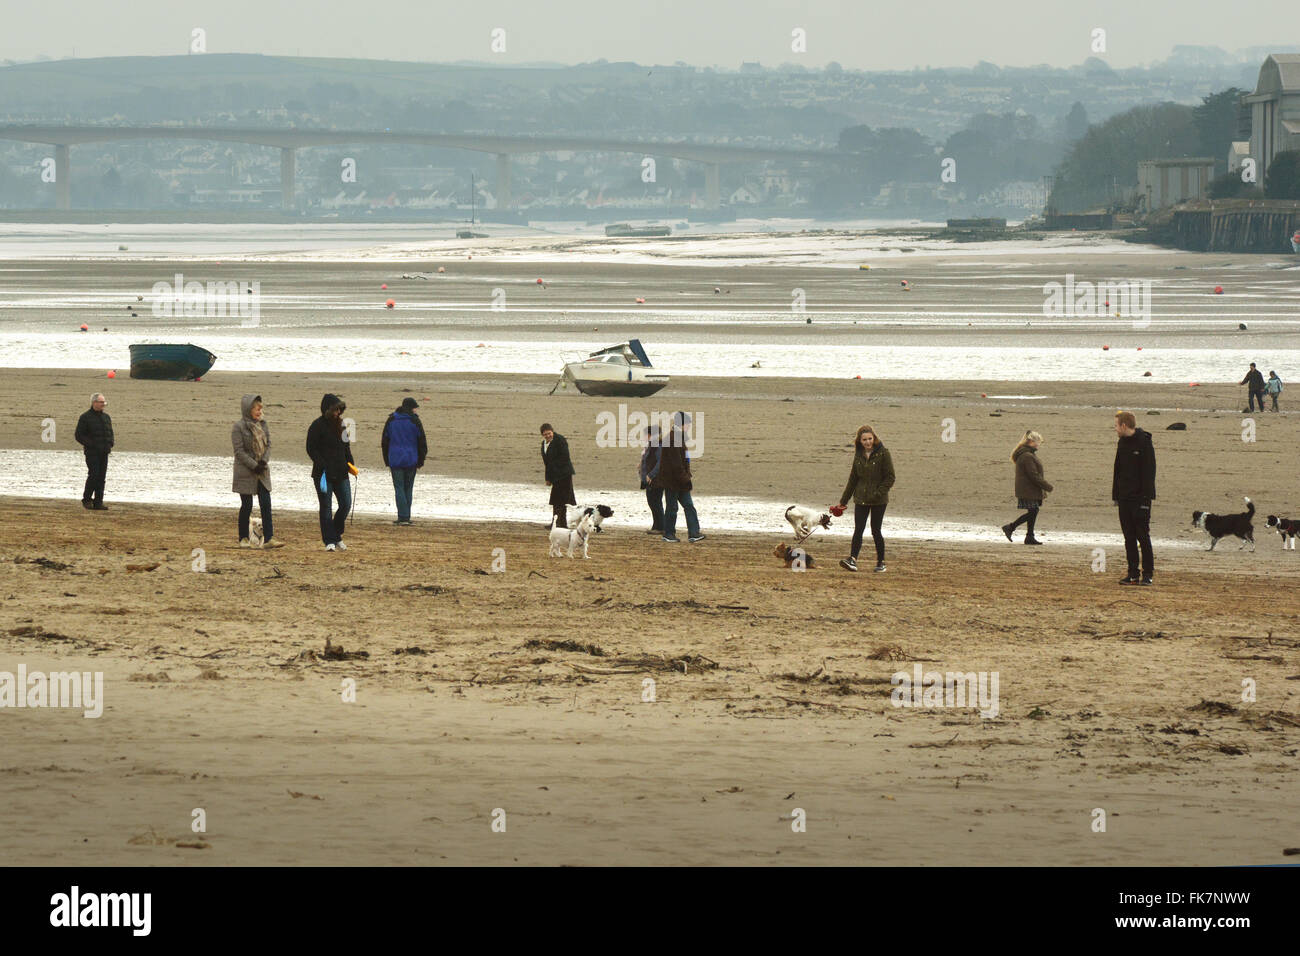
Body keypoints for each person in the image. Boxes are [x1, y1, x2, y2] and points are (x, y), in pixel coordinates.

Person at [836, 425, 895, 573]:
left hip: (879, 501)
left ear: (874, 438)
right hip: (861, 499)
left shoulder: (883, 453)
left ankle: (881, 562)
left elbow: (890, 477)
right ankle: (852, 560)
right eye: (864, 440)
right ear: (860, 441)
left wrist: (878, 493)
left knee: (876, 531)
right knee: (858, 529)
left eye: (870, 439)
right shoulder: (859, 455)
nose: (868, 442)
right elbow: (853, 479)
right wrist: (843, 502)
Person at [231, 394, 283, 549]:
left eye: (260, 408)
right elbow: (239, 452)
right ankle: (243, 538)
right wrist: (254, 465)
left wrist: (263, 462)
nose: (259, 411)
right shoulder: (238, 427)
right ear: (248, 409)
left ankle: (269, 538)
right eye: (256, 408)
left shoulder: (263, 424)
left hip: (262, 471)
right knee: (246, 505)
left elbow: (269, 445)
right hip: (245, 472)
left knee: (266, 503)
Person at [306, 393, 355, 552]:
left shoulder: (341, 425)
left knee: (346, 504)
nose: (337, 413)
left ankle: (336, 534)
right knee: (326, 507)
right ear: (327, 410)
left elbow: (346, 446)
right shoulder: (316, 426)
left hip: (341, 472)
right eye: (335, 410)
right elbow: (310, 448)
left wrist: (351, 463)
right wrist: (322, 464)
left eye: (339, 410)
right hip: (323, 474)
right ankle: (329, 541)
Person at [1112, 410, 1156, 586]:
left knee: (1142, 536)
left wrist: (1146, 499)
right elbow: (1118, 470)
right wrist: (1116, 495)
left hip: (1141, 499)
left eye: (1116, 425)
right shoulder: (1122, 443)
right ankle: (1132, 573)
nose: (1115, 429)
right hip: (1124, 498)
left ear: (1124, 425)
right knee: (1128, 537)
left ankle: (1148, 574)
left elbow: (1149, 472)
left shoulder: (1144, 442)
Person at [651, 412, 704, 543]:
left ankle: (693, 533)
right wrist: (686, 479)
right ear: (682, 424)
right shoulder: (673, 439)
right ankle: (669, 534)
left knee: (688, 506)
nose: (689, 426)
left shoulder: (677, 437)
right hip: (673, 481)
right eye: (688, 424)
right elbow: (676, 464)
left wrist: (685, 477)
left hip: (678, 480)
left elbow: (681, 461)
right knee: (672, 507)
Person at [381, 397, 427, 525]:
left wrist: (386, 459)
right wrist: (421, 460)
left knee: (399, 488)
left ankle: (403, 516)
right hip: (411, 458)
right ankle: (405, 516)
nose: (416, 410)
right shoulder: (415, 421)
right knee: (408, 488)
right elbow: (422, 442)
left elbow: (385, 441)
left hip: (395, 459)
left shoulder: (392, 420)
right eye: (415, 408)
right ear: (411, 408)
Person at [1002, 430, 1052, 545]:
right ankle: (1010, 527)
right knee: (1033, 511)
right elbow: (1033, 475)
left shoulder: (1027, 454)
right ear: (1030, 441)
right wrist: (1047, 486)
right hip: (1028, 489)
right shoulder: (1027, 456)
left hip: (1028, 488)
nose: (1039, 444)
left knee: (1033, 510)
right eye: (1037, 442)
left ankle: (1029, 536)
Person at [75, 392, 113, 511]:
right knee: (94, 475)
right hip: (92, 452)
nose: (103, 404)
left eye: (104, 402)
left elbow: (110, 432)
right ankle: (86, 499)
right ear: (94, 403)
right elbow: (79, 435)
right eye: (101, 402)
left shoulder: (106, 417)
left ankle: (98, 502)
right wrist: (91, 445)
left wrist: (110, 443)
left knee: (101, 477)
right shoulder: (85, 417)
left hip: (104, 452)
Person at [540, 423, 575, 529]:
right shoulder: (544, 444)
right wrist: (548, 478)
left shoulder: (560, 440)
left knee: (562, 500)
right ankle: (556, 523)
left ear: (552, 431)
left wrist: (555, 471)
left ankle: (561, 524)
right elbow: (547, 463)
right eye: (545, 434)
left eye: (549, 433)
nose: (548, 436)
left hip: (564, 474)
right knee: (556, 500)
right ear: (542, 435)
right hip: (555, 476)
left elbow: (565, 457)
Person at [638, 423, 665, 534]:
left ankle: (661, 527)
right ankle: (656, 525)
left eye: (646, 434)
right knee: (652, 502)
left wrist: (651, 475)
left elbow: (660, 463)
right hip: (650, 479)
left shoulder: (658, 446)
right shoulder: (652, 445)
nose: (644, 437)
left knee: (656, 503)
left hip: (656, 480)